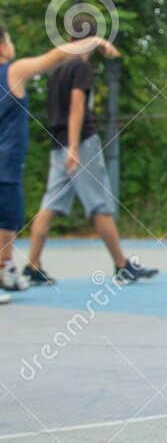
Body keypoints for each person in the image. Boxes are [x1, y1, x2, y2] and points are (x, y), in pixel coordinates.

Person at [21, 33, 159, 287]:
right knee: (99, 203)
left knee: (49, 204)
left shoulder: (57, 70)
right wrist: (75, 146)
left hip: (58, 142)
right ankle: (122, 266)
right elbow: (77, 107)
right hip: (80, 142)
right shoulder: (80, 67)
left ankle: (33, 265)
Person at [0, 26, 122, 303]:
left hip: (22, 157)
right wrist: (97, 40)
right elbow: (55, 55)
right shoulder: (13, 71)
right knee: (7, 216)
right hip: (8, 161)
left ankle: (7, 267)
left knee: (13, 215)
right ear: (2, 48)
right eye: (9, 40)